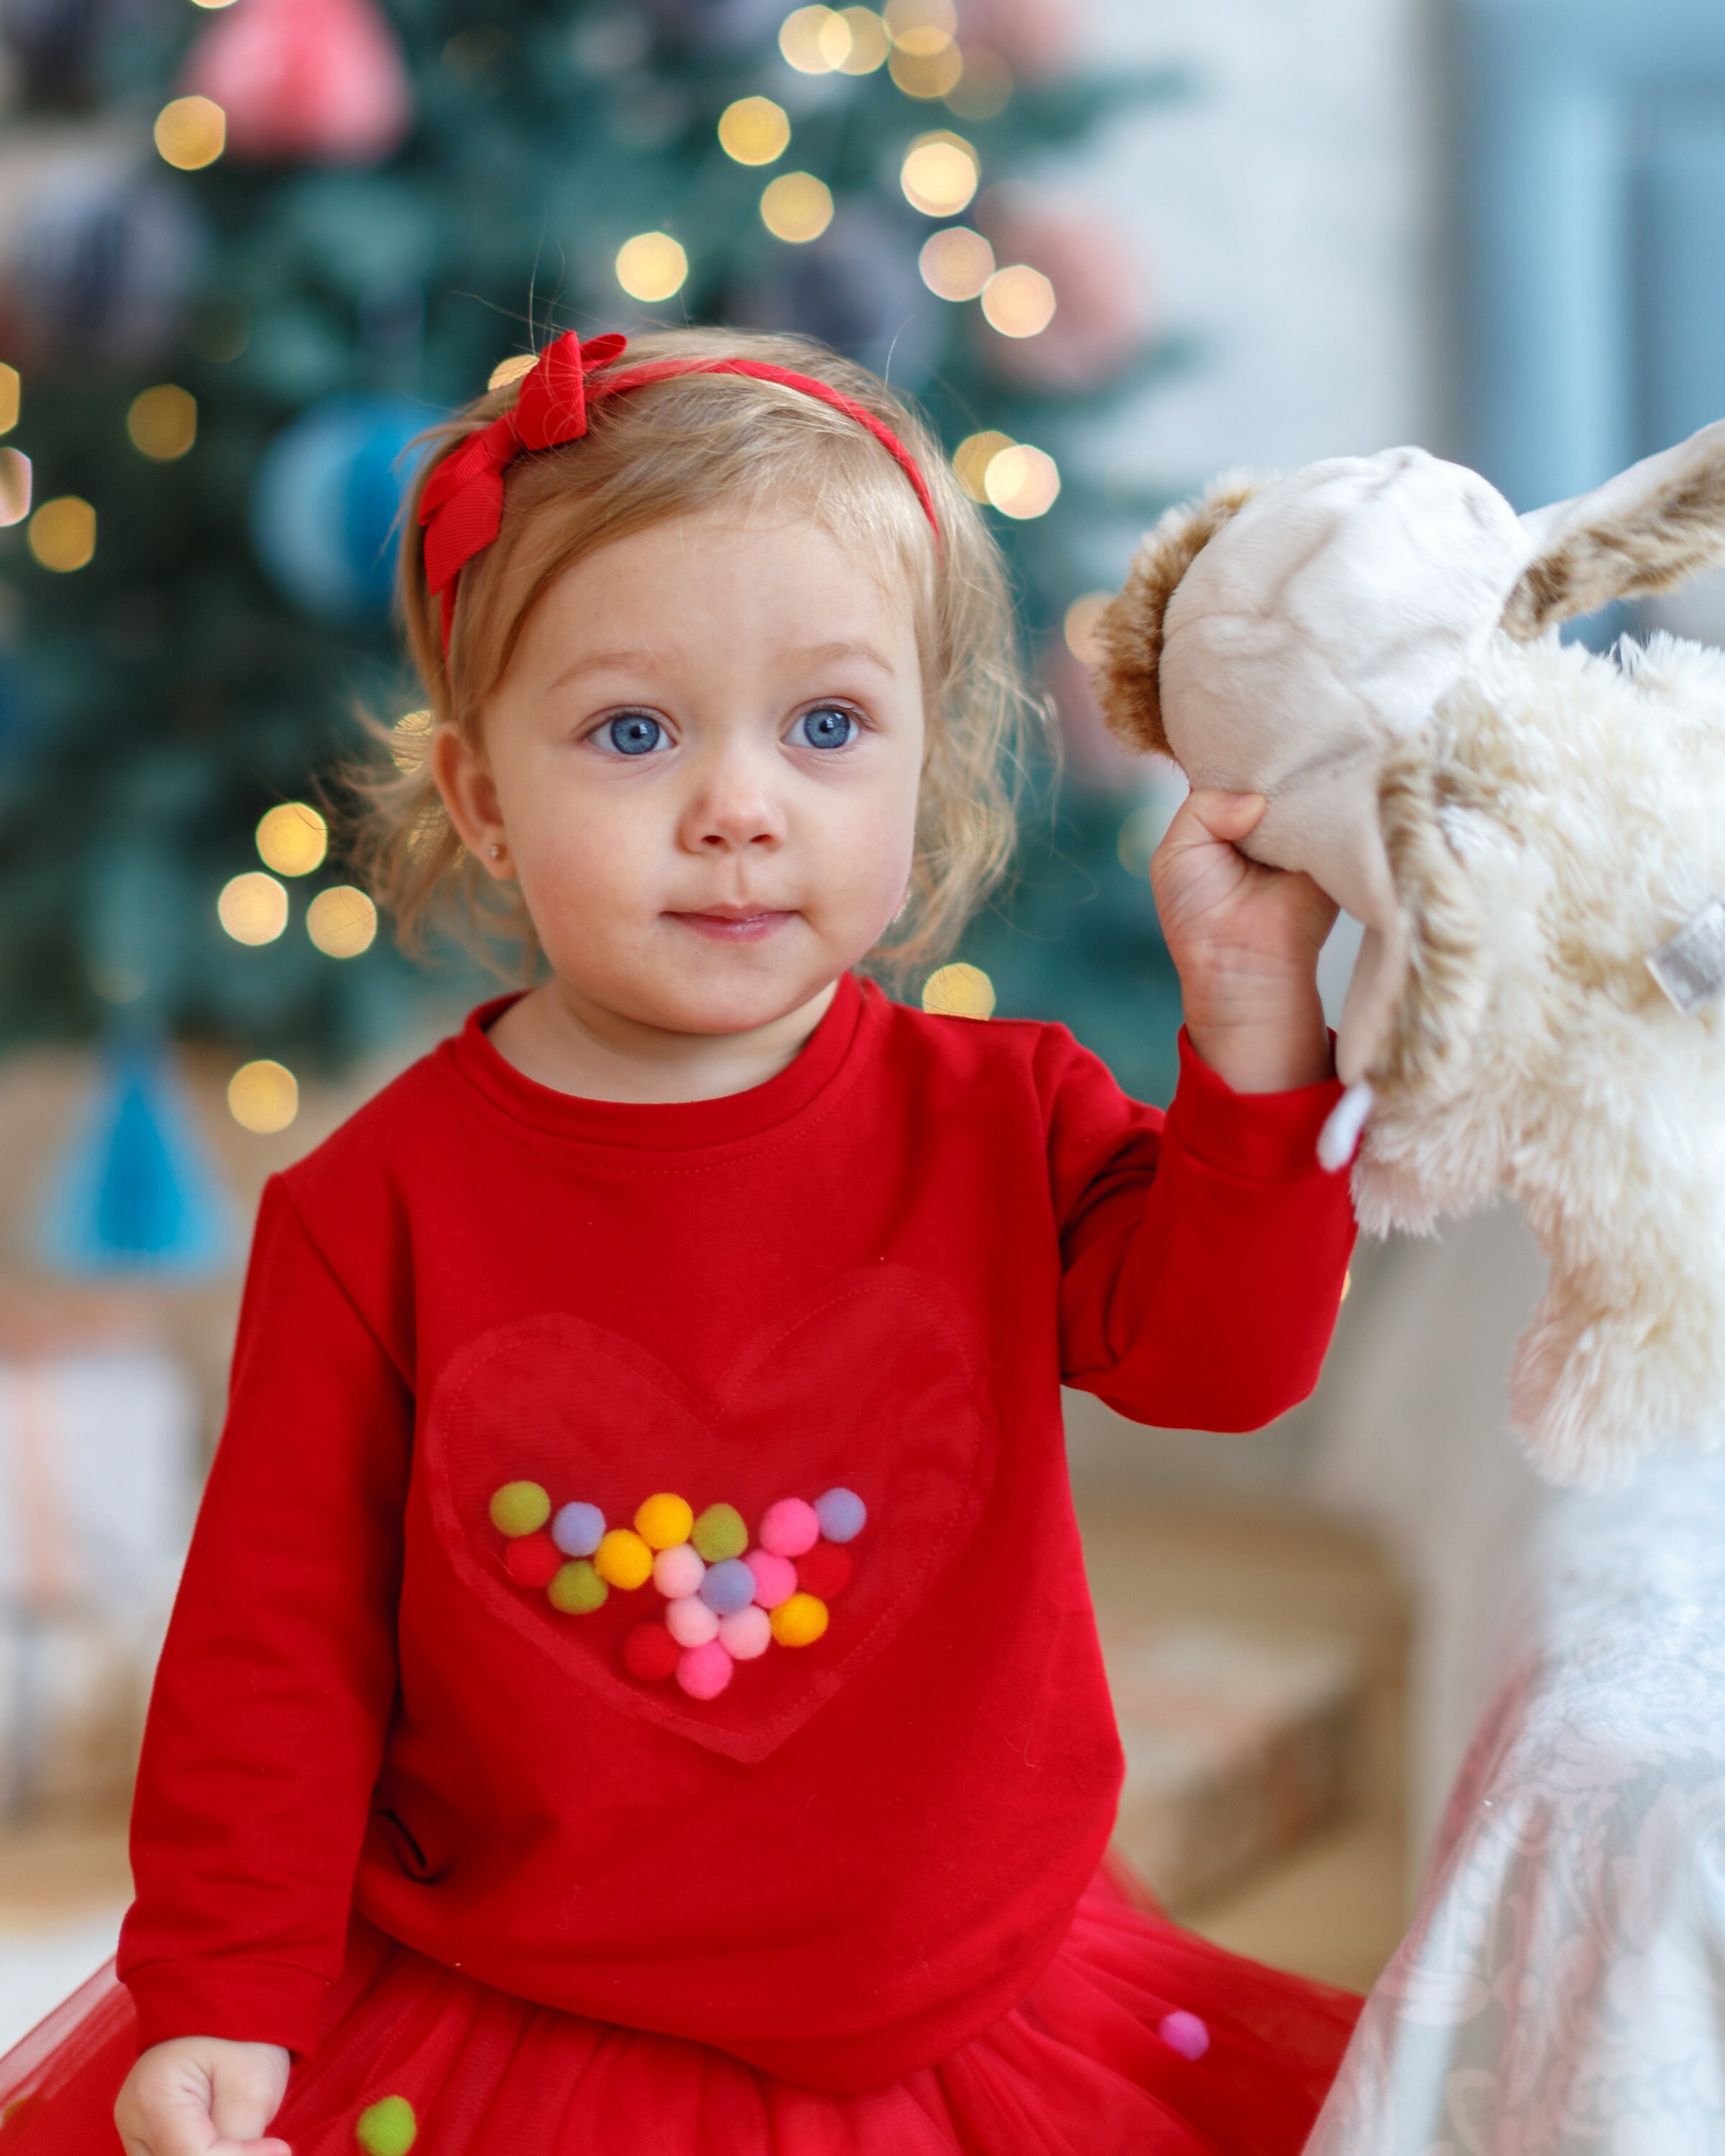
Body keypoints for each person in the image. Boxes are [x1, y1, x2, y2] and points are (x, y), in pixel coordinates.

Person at [4, 328, 1360, 2156]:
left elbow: (1227, 1365)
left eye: (827, 726)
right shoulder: (371, 1209)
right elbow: (279, 1645)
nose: (739, 806)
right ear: (483, 796)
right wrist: (225, 1991)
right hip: (520, 2017)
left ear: (922, 766)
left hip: (955, 2008)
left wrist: (1258, 1031)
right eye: (633, 732)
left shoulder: (1000, 1115)